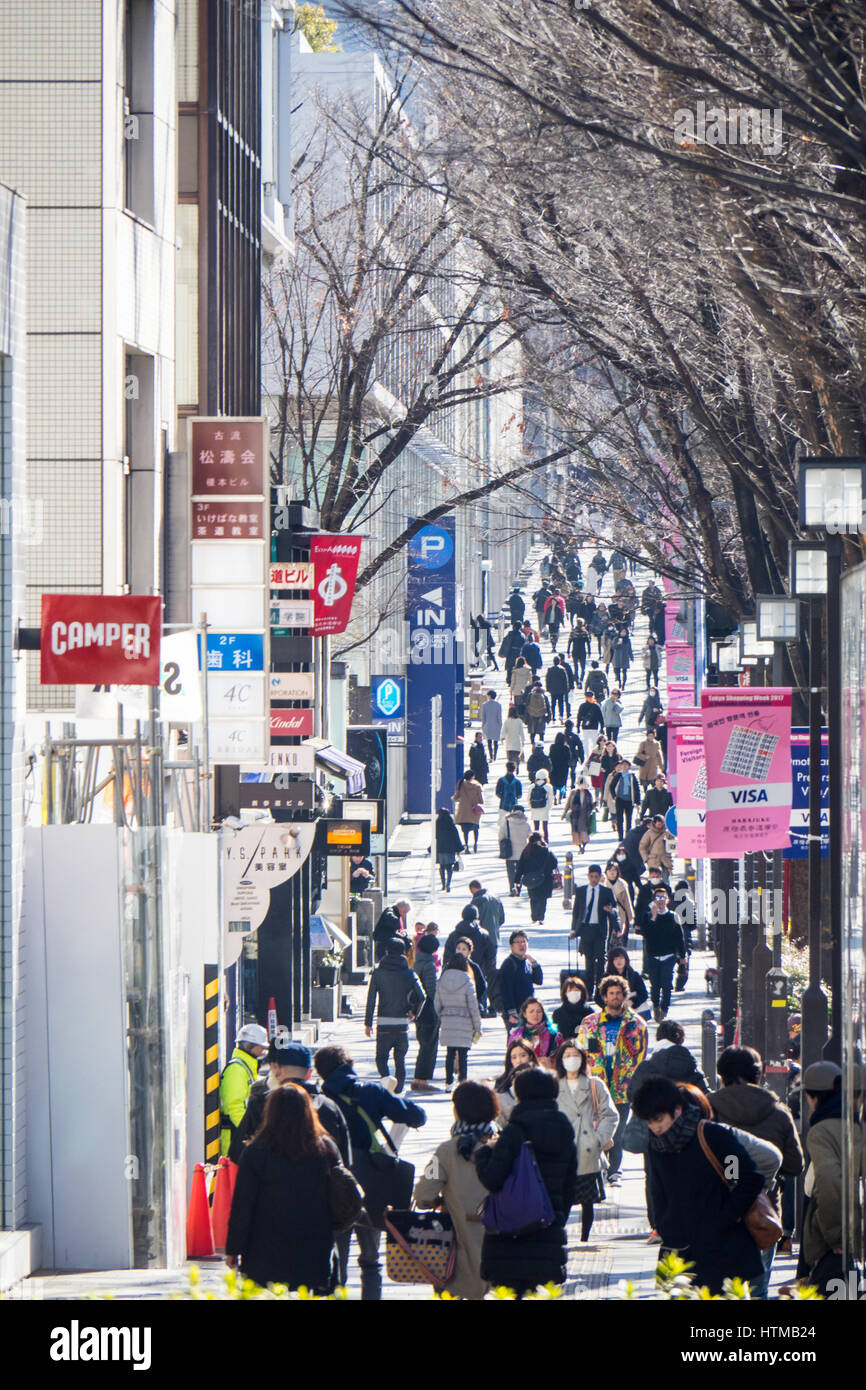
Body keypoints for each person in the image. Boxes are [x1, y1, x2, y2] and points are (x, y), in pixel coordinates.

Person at [629, 1076, 764, 1294]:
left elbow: (744, 1179)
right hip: (678, 1251)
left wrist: (725, 1217)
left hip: (721, 1249)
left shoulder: (713, 1136)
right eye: (649, 1122)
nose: (656, 1128)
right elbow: (657, 1189)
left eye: (659, 1119)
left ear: (678, 1110)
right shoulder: (656, 1147)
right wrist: (663, 1224)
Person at [315, 1044, 427, 1301]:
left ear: (321, 1072)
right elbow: (416, 1115)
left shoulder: (319, 1101)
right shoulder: (370, 1091)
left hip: (333, 1184)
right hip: (371, 1181)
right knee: (370, 1258)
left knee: (337, 1258)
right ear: (348, 1064)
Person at [225, 1084, 346, 1293]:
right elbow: (339, 1192)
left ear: (270, 1113)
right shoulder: (325, 1149)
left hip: (264, 1250)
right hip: (313, 1246)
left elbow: (242, 1205)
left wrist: (234, 1249)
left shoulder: (255, 1153)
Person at [709, 1044, 804, 1299]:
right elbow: (795, 1165)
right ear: (758, 1076)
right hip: (762, 1212)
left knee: (719, 1289)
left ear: (722, 1076)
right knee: (758, 1289)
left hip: (716, 1213)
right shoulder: (778, 1113)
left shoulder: (706, 1111)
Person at [475, 1068, 577, 1298]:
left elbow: (492, 1178)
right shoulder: (565, 1131)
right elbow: (570, 1186)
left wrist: (484, 1154)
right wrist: (557, 1217)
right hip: (547, 1237)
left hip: (508, 1241)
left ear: (520, 1095)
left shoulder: (515, 1131)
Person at [413, 1081, 498, 1300]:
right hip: (502, 1248)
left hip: (455, 1251)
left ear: (458, 1111)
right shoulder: (504, 1145)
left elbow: (423, 1196)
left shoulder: (446, 1151)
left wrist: (441, 1201)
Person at [229, 1039, 351, 1168]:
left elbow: (237, 1153)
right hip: (318, 1186)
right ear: (309, 1074)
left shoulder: (260, 1105)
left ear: (277, 1071)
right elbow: (344, 1159)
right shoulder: (328, 1107)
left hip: (270, 1185)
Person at [578, 975, 647, 1185]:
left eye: (618, 993)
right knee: (595, 1126)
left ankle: (615, 1170)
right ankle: (598, 1168)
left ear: (624, 995)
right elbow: (580, 1052)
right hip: (595, 1084)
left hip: (623, 1086)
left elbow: (641, 1056)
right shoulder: (589, 1023)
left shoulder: (636, 1024)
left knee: (618, 1128)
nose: (615, 997)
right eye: (611, 993)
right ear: (604, 997)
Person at [554, 1041, 618, 1243]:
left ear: (582, 1059)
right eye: (566, 1055)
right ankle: (560, 1238)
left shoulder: (594, 1084)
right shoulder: (554, 1086)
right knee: (562, 1200)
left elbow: (610, 1114)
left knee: (587, 1201)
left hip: (588, 1150)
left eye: (575, 1055)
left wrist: (599, 1139)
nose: (571, 1059)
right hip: (563, 1152)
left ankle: (584, 1238)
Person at [799, 1061, 853, 1294]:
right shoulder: (851, 1123)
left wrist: (835, 1237)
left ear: (814, 1097)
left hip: (831, 1244)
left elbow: (828, 1182)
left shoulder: (822, 1131)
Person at [364, 938, 427, 1092]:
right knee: (400, 1059)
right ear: (404, 953)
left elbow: (371, 999)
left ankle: (387, 1082)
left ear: (386, 952)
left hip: (384, 1023)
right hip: (402, 1022)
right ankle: (398, 1089)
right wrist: (414, 1012)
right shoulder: (409, 973)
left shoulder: (378, 973)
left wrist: (368, 1023)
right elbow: (422, 996)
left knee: (381, 1058)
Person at [219, 1023, 269, 1157]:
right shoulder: (236, 1070)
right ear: (249, 1046)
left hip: (240, 1138)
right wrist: (251, 1132)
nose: (264, 1050)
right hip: (236, 1139)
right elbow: (233, 1107)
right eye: (261, 1047)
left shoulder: (245, 1067)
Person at [570, 865, 619, 996]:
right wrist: (573, 930)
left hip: (599, 929)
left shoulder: (606, 891)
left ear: (600, 877)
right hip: (586, 928)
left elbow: (614, 910)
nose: (594, 880)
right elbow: (576, 912)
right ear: (588, 877)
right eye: (591, 877)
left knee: (600, 959)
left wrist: (614, 922)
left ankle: (600, 988)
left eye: (596, 877)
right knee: (589, 961)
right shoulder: (581, 891)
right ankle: (589, 989)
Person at [435, 954, 482, 1089]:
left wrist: (441, 1015)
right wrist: (477, 1026)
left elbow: (437, 1003)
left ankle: (448, 1082)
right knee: (463, 1055)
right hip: (464, 1021)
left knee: (450, 1054)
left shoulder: (442, 980)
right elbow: (473, 1006)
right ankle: (462, 1081)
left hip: (448, 1020)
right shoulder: (467, 980)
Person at [642, 887, 687, 1021]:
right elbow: (646, 934)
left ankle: (664, 1009)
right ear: (654, 900)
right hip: (653, 956)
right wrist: (654, 917)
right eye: (658, 898)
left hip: (669, 955)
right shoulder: (648, 916)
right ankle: (656, 1006)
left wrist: (683, 957)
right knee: (655, 984)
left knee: (666, 984)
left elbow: (680, 938)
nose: (660, 901)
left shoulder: (673, 916)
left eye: (663, 898)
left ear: (667, 900)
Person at [410, 934, 442, 1094]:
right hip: (430, 1010)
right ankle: (422, 1080)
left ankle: (418, 1079)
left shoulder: (417, 962)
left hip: (419, 1010)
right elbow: (432, 990)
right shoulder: (429, 964)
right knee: (429, 1046)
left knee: (424, 1044)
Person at [497, 929, 543, 1032]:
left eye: (524, 941)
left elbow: (539, 981)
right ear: (511, 946)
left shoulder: (526, 962)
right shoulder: (509, 964)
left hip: (528, 1011)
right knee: (515, 1042)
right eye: (518, 942)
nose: (521, 945)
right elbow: (505, 990)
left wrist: (534, 963)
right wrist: (511, 1011)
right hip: (515, 1012)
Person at [514, 830, 557, 921]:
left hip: (531, 879)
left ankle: (534, 916)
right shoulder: (546, 850)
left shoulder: (527, 851)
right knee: (543, 899)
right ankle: (540, 917)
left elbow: (520, 866)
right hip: (545, 879)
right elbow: (554, 863)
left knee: (533, 898)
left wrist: (517, 880)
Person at [492, 1042, 539, 1124]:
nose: (519, 1061)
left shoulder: (542, 1079)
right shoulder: (502, 1082)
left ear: (531, 1056)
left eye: (523, 1056)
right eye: (514, 1057)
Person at [507, 996, 562, 1064]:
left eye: (539, 1011)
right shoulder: (516, 1035)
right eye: (531, 1011)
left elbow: (561, 1058)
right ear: (524, 1014)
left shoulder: (553, 1035)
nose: (535, 1015)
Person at [599, 945, 648, 1016]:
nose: (619, 961)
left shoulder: (634, 975)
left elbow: (643, 994)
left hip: (632, 1012)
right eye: (615, 959)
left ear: (626, 959)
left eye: (621, 958)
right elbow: (598, 997)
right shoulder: (606, 977)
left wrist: (632, 1001)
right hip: (611, 1013)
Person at [603, 864, 635, 947]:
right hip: (605, 913)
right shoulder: (603, 884)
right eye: (610, 870)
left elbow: (627, 901)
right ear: (606, 872)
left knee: (618, 937)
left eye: (614, 870)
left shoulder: (622, 884)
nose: (612, 872)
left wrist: (630, 915)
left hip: (620, 913)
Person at [452, 772, 484, 854]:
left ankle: (466, 846)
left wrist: (454, 799)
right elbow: (481, 800)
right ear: (473, 776)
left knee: (465, 831)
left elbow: (456, 797)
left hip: (463, 812)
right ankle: (475, 843)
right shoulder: (477, 786)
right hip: (474, 812)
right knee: (475, 829)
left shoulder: (461, 784)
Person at [611, 759, 642, 842]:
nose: (624, 767)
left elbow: (636, 789)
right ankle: (620, 836)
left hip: (629, 800)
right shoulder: (618, 775)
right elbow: (612, 786)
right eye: (623, 765)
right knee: (619, 819)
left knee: (629, 818)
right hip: (620, 800)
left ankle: (628, 835)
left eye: (626, 765)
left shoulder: (632, 776)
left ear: (629, 767)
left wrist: (637, 801)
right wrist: (614, 796)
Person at [435, 808, 464, 892]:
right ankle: (448, 884)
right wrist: (459, 848)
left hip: (440, 849)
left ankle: (443, 884)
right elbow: (456, 837)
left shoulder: (438, 824)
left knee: (442, 867)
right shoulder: (451, 825)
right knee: (449, 868)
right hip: (450, 850)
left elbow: (435, 837)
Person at [563, 776, 594, 852]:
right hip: (575, 815)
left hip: (584, 815)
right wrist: (564, 812)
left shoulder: (588, 794)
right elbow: (568, 803)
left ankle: (583, 845)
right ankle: (579, 846)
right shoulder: (574, 792)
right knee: (575, 832)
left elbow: (591, 805)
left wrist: (594, 807)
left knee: (584, 831)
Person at [639, 815, 674, 881]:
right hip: (653, 860)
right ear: (654, 823)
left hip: (665, 860)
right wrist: (646, 859)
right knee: (654, 880)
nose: (660, 824)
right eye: (658, 823)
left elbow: (673, 846)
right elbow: (642, 847)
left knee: (665, 881)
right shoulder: (649, 833)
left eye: (661, 823)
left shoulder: (667, 833)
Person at [528, 769, 554, 841]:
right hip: (544, 809)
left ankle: (536, 841)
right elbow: (551, 799)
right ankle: (545, 841)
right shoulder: (548, 786)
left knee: (536, 828)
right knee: (545, 828)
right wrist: (548, 808)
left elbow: (528, 798)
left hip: (535, 809)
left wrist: (532, 807)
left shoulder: (532, 786)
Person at [545, 654, 570, 721]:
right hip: (561, 689)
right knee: (561, 703)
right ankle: (561, 716)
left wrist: (548, 688)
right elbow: (565, 680)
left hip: (553, 690)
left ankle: (553, 716)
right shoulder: (562, 669)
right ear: (559, 662)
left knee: (553, 703)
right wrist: (566, 688)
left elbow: (547, 679)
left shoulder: (550, 669)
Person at [481, 690, 503, 761]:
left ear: (489, 696)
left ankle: (490, 755)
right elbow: (499, 717)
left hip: (488, 726)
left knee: (489, 742)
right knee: (496, 742)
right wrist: (500, 726)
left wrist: (483, 726)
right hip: (496, 726)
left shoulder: (484, 705)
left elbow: (483, 717)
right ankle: (495, 755)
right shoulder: (498, 705)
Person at [567, 619, 590, 684]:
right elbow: (588, 643)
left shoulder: (573, 632)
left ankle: (577, 679)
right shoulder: (585, 632)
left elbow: (569, 642)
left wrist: (568, 652)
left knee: (576, 666)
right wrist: (589, 652)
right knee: (583, 667)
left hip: (575, 650)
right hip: (582, 651)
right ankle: (581, 679)